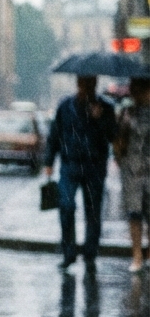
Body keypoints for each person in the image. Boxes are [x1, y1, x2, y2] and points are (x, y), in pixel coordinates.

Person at [44, 75, 117, 269]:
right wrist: (49, 161)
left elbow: (112, 135)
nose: (87, 88)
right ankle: (69, 252)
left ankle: (90, 253)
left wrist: (100, 119)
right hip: (70, 164)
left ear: (95, 84)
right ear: (78, 83)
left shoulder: (105, 107)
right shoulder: (65, 106)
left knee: (93, 211)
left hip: (95, 167)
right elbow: (55, 134)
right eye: (84, 83)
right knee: (66, 206)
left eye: (91, 84)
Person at [114, 76, 150, 271]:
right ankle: (137, 255)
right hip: (132, 170)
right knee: (134, 214)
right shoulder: (127, 112)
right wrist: (121, 159)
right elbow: (118, 140)